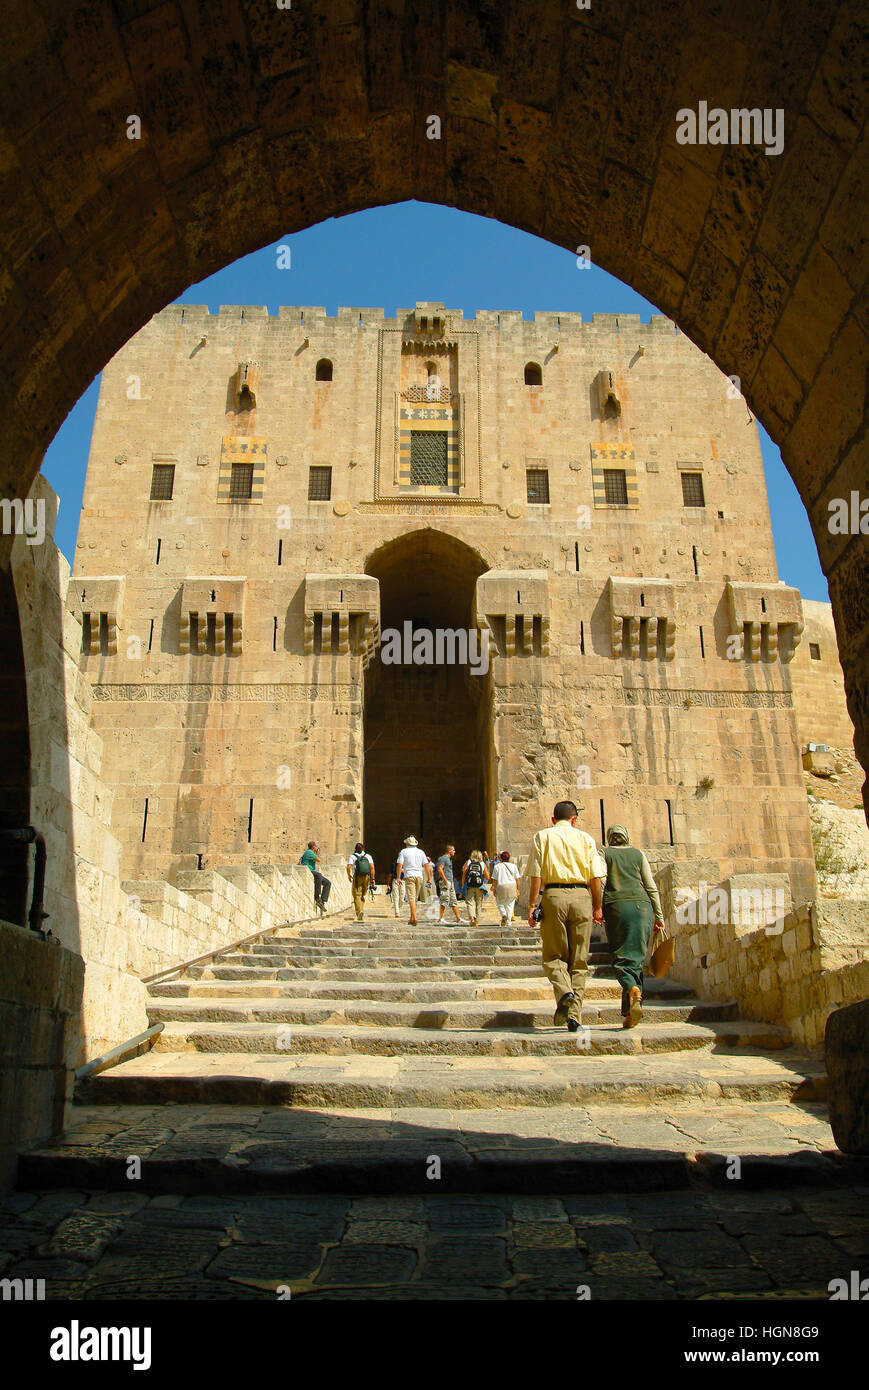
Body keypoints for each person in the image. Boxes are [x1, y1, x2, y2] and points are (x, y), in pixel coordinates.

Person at [526, 800, 606, 1031]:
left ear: (553, 820)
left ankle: (565, 991)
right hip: (582, 897)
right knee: (579, 961)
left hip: (554, 897)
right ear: (574, 819)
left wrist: (532, 905)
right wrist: (597, 907)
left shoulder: (543, 837)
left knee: (553, 956)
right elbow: (596, 878)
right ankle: (575, 1017)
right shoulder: (586, 839)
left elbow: (536, 875)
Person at [602, 824, 665, 1028]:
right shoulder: (639, 855)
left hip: (617, 907)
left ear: (610, 837)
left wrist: (597, 907)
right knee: (635, 959)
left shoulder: (605, 854)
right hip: (642, 907)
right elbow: (651, 886)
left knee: (621, 957)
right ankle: (630, 1013)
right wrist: (659, 916)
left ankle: (632, 989)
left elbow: (601, 881)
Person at [396, 835, 432, 926]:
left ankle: (414, 918)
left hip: (409, 875)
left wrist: (398, 877)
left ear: (407, 843)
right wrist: (429, 878)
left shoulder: (403, 852)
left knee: (411, 897)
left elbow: (400, 864)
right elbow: (426, 865)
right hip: (419, 876)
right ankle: (412, 918)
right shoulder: (421, 852)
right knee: (415, 897)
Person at [300, 840, 331, 916]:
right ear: (314, 847)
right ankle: (317, 897)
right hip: (309, 870)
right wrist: (317, 853)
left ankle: (322, 901)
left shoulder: (311, 852)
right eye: (316, 847)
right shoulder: (309, 852)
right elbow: (318, 860)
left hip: (312, 871)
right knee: (318, 875)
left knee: (327, 882)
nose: (317, 848)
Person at [491, 850, 521, 926]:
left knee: (500, 902)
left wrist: (494, 888)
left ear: (500, 858)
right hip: (512, 886)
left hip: (501, 886)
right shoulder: (513, 866)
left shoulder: (497, 867)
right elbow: (517, 879)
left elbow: (495, 880)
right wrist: (517, 889)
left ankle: (504, 914)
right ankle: (509, 922)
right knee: (510, 904)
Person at [346, 841, 375, 921]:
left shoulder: (353, 856)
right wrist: (373, 879)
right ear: (363, 849)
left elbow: (348, 867)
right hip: (367, 876)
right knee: (362, 894)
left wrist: (349, 875)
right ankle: (361, 909)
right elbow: (372, 868)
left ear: (355, 849)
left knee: (356, 894)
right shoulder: (368, 856)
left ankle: (359, 912)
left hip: (358, 876)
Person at [435, 844, 463, 924]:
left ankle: (458, 918)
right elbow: (440, 869)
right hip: (446, 882)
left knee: (453, 900)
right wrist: (445, 880)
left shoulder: (448, 859)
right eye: (453, 850)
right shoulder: (444, 858)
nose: (454, 852)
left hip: (450, 882)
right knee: (444, 899)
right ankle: (440, 919)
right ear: (449, 850)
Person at [461, 850, 490, 924]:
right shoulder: (482, 864)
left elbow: (464, 873)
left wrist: (463, 884)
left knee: (470, 902)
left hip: (469, 885)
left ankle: (471, 917)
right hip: (480, 885)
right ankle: (477, 922)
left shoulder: (468, 862)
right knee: (479, 903)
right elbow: (487, 877)